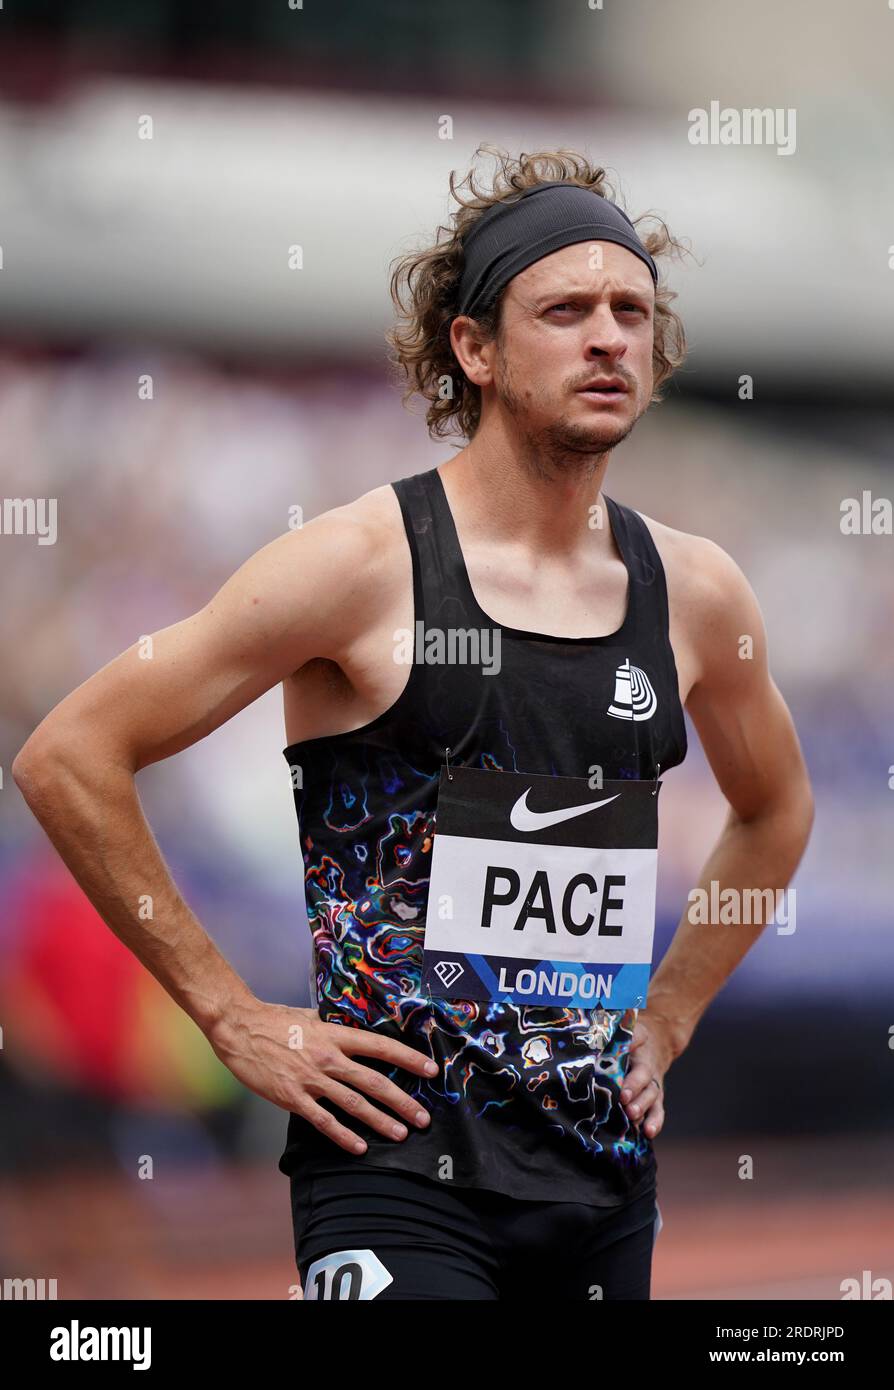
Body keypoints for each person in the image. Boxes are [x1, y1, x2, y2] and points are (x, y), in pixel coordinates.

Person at [13, 147, 814, 1301]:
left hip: (599, 1179)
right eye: (566, 310)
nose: (609, 339)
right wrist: (230, 1013)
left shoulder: (696, 592)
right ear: (474, 348)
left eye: (632, 311)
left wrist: (675, 1006)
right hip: (395, 1165)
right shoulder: (358, 564)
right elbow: (70, 753)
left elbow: (777, 805)